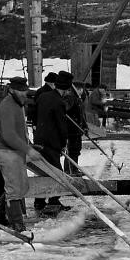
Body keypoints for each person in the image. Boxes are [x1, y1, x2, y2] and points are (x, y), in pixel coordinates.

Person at [0, 77, 41, 231]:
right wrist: (28, 150)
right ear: (12, 90)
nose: (23, 93)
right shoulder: (7, 106)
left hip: (16, 151)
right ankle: (17, 225)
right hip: (6, 152)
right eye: (20, 91)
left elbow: (20, 131)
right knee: (14, 190)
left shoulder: (18, 104)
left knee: (20, 187)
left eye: (24, 90)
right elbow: (9, 135)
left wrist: (28, 145)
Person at [32, 70, 72, 217]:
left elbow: (34, 115)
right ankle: (53, 201)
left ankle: (40, 201)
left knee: (43, 172)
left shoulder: (43, 96)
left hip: (39, 140)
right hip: (52, 143)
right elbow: (61, 126)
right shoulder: (59, 102)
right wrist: (63, 143)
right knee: (57, 174)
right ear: (66, 89)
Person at [62, 75, 88, 175]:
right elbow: (64, 108)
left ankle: (74, 168)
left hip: (77, 130)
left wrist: (84, 127)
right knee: (72, 150)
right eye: (82, 89)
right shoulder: (71, 97)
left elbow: (81, 115)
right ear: (79, 89)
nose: (83, 91)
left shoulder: (78, 98)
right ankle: (69, 170)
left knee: (76, 150)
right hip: (71, 129)